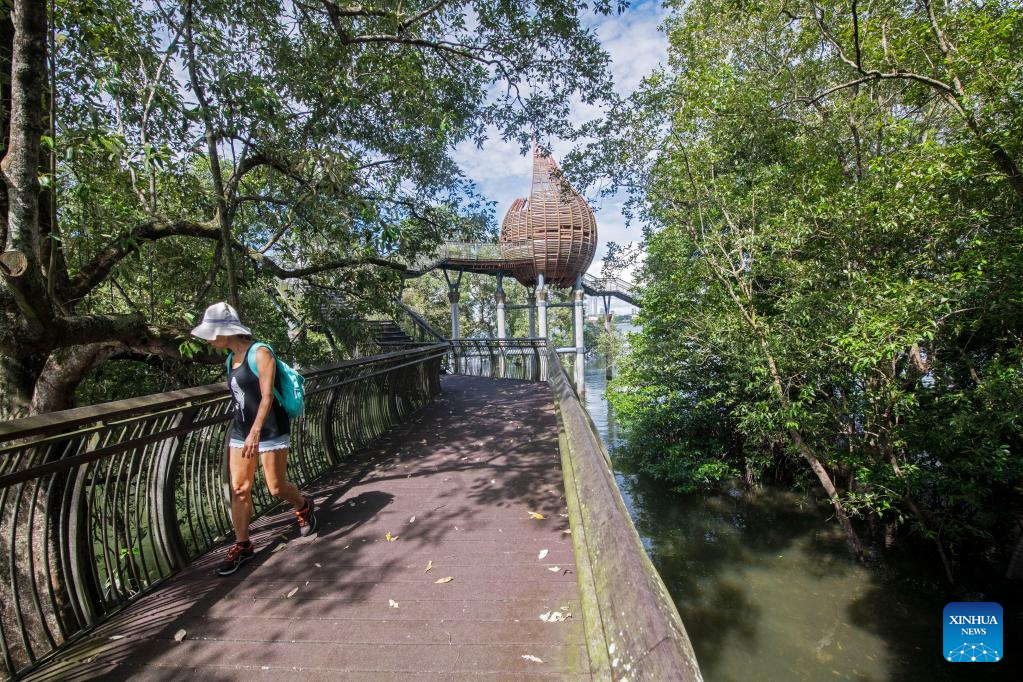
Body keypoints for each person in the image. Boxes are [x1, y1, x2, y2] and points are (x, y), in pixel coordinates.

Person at [191, 302, 318, 576]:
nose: (209, 340)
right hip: (241, 430)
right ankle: (243, 545)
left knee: (276, 487)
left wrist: (256, 431)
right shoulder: (230, 359)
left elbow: (267, 396)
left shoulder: (260, 353)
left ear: (226, 331)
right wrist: (246, 432)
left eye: (212, 333)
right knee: (239, 488)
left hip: (269, 428)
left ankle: (303, 504)